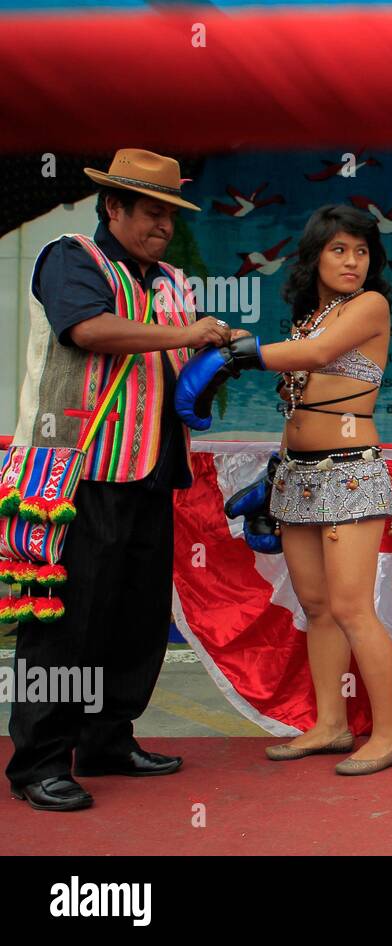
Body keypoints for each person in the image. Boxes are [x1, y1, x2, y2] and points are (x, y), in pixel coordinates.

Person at [6, 149, 234, 812]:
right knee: (64, 626)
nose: (162, 225)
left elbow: (184, 362)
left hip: (150, 469)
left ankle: (108, 738)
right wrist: (186, 333)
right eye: (152, 211)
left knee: (131, 619)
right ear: (114, 207)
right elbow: (87, 329)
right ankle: (40, 761)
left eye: (170, 214)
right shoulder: (71, 256)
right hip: (71, 472)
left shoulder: (172, 280)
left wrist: (216, 353)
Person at [176, 204, 392, 775]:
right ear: (316, 257)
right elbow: (297, 371)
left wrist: (239, 354)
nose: (353, 261)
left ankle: (390, 735)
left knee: (354, 608)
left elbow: (317, 356)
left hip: (350, 467)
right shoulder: (312, 316)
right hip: (297, 474)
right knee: (318, 606)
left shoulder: (369, 306)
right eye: (338, 250)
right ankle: (330, 725)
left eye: (361, 250)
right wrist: (231, 343)